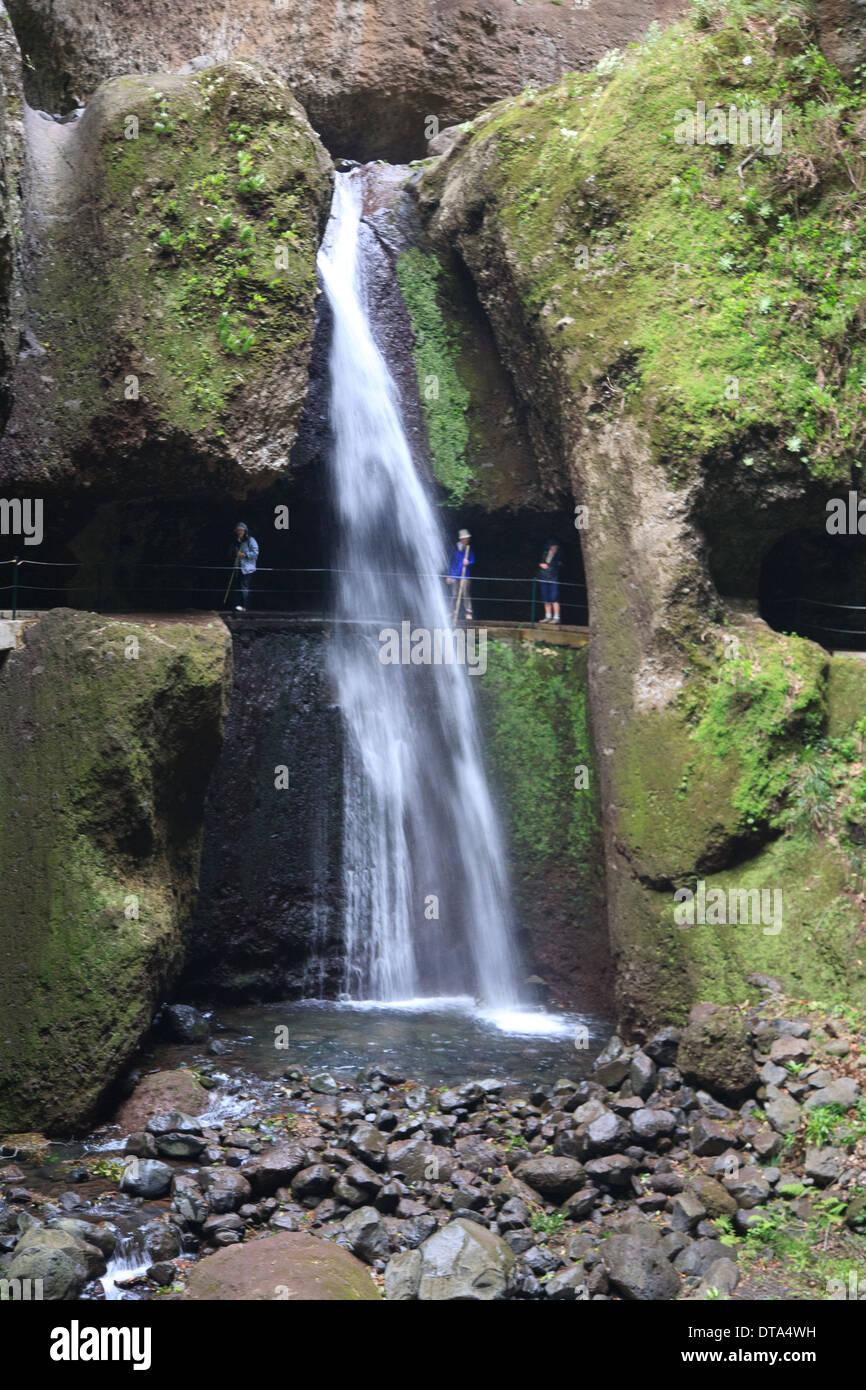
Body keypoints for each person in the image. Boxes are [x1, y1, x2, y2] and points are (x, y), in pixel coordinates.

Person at [229, 521, 259, 611]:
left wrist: (244, 554)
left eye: (242, 530)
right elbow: (231, 553)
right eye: (238, 530)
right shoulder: (235, 541)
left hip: (247, 568)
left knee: (244, 587)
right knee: (237, 587)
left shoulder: (251, 540)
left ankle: (245, 606)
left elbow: (255, 553)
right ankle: (237, 605)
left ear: (245, 531)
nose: (240, 532)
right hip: (238, 567)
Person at [447, 527, 474, 620]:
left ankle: (468, 612)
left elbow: (472, 559)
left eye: (468, 538)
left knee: (466, 594)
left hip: (465, 575)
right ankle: (451, 612)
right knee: (454, 594)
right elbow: (450, 562)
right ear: (461, 539)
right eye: (465, 538)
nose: (467, 539)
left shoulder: (468, 549)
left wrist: (468, 562)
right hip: (454, 575)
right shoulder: (454, 549)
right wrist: (449, 575)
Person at [537, 537, 562, 624]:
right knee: (545, 598)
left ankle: (556, 617)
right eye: (552, 546)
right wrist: (541, 565)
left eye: (555, 547)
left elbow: (560, 563)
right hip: (543, 578)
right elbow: (541, 562)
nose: (554, 548)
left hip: (553, 579)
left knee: (554, 598)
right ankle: (547, 617)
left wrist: (551, 565)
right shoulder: (545, 553)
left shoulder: (559, 554)